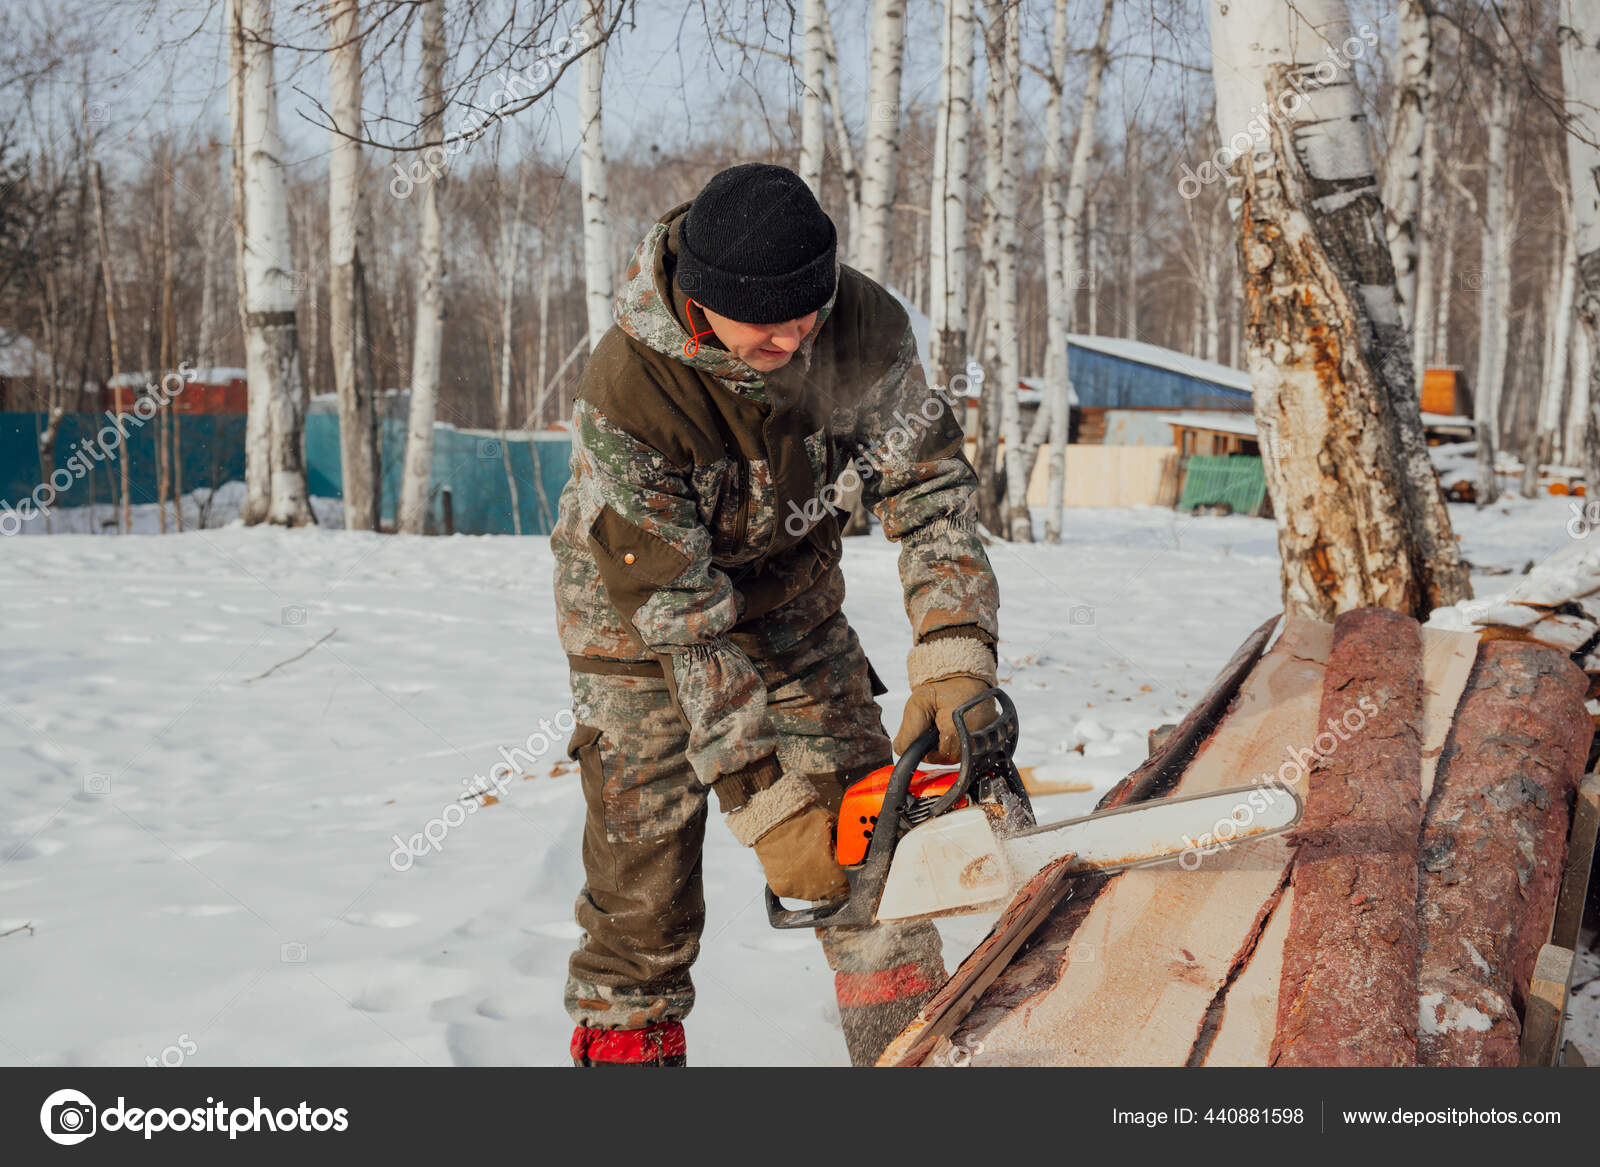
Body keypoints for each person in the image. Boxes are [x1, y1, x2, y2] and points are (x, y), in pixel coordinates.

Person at [551, 162, 1000, 1066]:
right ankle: (628, 1059)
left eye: (809, 315)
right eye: (769, 323)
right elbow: (680, 620)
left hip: (791, 600)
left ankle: (906, 1056)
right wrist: (760, 801)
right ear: (703, 303)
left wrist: (954, 647)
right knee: (644, 881)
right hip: (641, 621)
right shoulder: (631, 389)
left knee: (869, 844)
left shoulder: (860, 325)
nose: (795, 341)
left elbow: (928, 481)